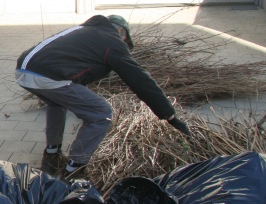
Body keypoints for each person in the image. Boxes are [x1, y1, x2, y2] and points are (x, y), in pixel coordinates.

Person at [15, 14, 190, 178]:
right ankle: (74, 170)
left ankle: (51, 157)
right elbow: (140, 80)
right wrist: (169, 115)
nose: (124, 43)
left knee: (57, 102)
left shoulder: (86, 31)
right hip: (49, 76)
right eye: (125, 40)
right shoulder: (112, 41)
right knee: (100, 113)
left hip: (24, 70)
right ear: (121, 31)